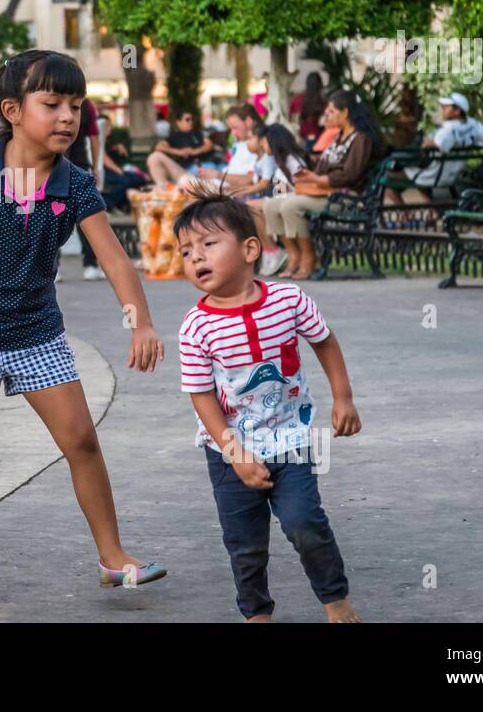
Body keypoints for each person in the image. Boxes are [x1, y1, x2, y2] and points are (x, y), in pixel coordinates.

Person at [0, 49, 167, 601]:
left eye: (76, 105)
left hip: (37, 331)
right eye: (53, 103)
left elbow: (114, 257)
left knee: (82, 440)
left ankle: (113, 558)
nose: (68, 116)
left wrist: (141, 323)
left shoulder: (75, 184)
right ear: (13, 110)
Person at [174, 194, 362, 622]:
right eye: (186, 251)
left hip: (291, 438)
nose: (195, 257)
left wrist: (343, 398)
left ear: (249, 249)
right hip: (228, 451)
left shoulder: (289, 300)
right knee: (245, 544)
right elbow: (200, 394)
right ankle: (256, 613)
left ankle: (336, 600)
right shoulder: (195, 327)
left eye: (207, 245)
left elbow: (324, 341)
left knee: (304, 523)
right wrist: (235, 454)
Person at [261, 90, 382, 280]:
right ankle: (294, 255)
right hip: (324, 193)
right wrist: (309, 172)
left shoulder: (360, 139)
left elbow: (350, 175)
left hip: (347, 198)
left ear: (345, 113)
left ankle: (309, 257)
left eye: (332, 111)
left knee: (290, 205)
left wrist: (316, 180)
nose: (327, 115)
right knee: (271, 205)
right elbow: (320, 168)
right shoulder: (337, 138)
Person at [386, 92, 483, 206]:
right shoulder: (474, 125)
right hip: (454, 174)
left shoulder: (447, 130)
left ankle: (403, 217)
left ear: (457, 111)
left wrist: (430, 143)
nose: (442, 109)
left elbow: (436, 145)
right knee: (412, 176)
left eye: (446, 107)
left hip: (435, 175)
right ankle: (432, 212)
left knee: (387, 180)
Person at [245, 123, 313, 276]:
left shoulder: (293, 161)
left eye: (265, 141)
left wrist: (268, 201)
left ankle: (291, 254)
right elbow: (279, 191)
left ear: (275, 142)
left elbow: (301, 187)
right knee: (264, 206)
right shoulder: (280, 163)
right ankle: (291, 254)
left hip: (300, 198)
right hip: (286, 199)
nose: (262, 144)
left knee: (265, 205)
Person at [65, 96, 107, 280]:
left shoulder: (47, 100)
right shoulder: (85, 104)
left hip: (53, 164)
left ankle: (54, 267)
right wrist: (96, 165)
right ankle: (90, 265)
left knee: (50, 214)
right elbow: (94, 137)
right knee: (86, 216)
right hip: (80, 164)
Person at [146, 111, 211, 184]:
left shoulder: (199, 133)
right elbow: (159, 147)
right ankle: (163, 187)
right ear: (178, 122)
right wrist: (179, 152)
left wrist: (195, 151)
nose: (191, 122)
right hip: (187, 171)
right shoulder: (175, 137)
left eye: (192, 119)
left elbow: (209, 145)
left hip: (207, 167)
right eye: (187, 119)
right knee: (154, 157)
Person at [101, 139, 148, 213]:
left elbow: (125, 158)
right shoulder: (100, 139)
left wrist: (121, 150)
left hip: (119, 171)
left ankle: (117, 205)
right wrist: (119, 171)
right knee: (126, 181)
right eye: (108, 127)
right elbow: (104, 159)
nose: (109, 129)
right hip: (106, 172)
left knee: (139, 179)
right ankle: (109, 205)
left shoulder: (111, 142)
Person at [293, 71, 326, 145]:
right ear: (320, 85)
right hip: (320, 138)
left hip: (302, 137)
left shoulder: (297, 99)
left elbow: (292, 119)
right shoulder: (323, 103)